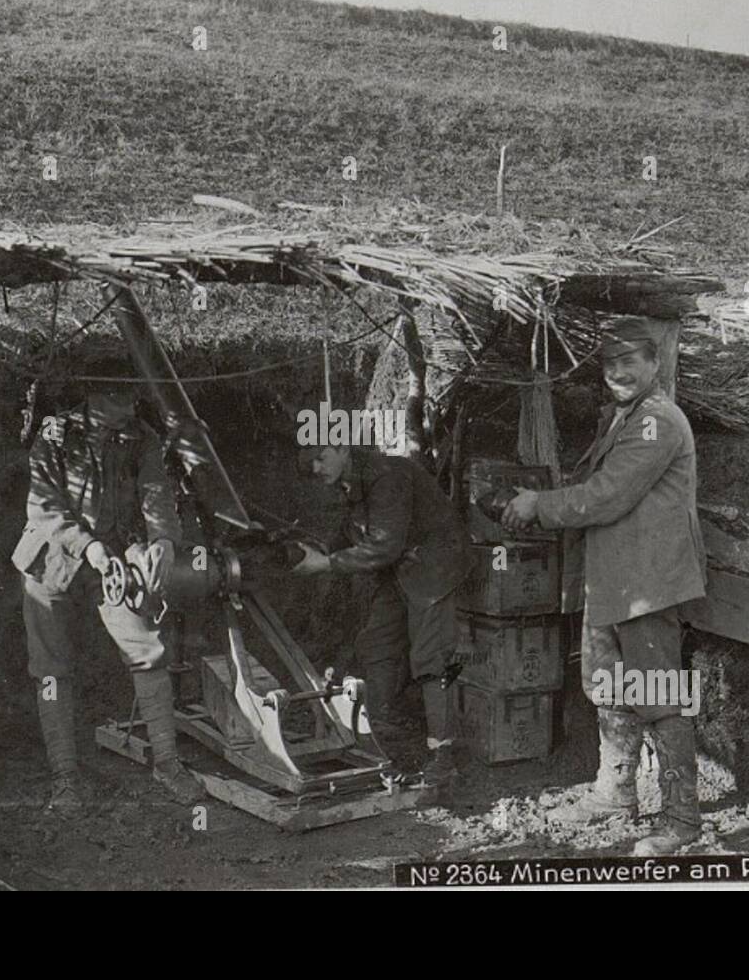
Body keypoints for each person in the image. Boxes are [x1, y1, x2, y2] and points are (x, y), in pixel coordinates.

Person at [501, 317, 707, 855]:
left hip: (649, 583)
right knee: (609, 688)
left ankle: (681, 821)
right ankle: (616, 791)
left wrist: (539, 506)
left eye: (628, 363)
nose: (617, 373)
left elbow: (607, 495)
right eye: (610, 365)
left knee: (660, 698)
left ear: (654, 364)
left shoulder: (656, 422)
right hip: (613, 580)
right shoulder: (623, 418)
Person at [11, 388, 205, 812]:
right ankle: (64, 778)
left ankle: (167, 764)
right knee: (50, 669)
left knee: (147, 651)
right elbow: (43, 506)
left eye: (132, 398)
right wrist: (88, 546)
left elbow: (156, 490)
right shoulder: (56, 435)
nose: (130, 407)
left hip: (114, 562)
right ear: (93, 398)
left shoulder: (141, 436)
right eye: (119, 399)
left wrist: (165, 541)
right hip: (52, 561)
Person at [293, 443, 471, 790]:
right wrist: (314, 550)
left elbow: (385, 545)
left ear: (341, 448)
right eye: (309, 463)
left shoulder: (386, 475)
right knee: (376, 643)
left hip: (435, 567)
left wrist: (327, 563)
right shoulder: (351, 480)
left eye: (320, 457)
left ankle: (443, 759)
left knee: (431, 659)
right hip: (401, 569)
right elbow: (351, 534)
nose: (315, 468)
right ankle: (387, 736)